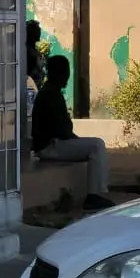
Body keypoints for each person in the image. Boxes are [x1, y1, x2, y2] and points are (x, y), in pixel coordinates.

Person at [30, 55, 114, 211]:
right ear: (60, 73)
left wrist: (76, 141)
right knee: (97, 145)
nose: (67, 76)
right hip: (49, 147)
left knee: (94, 145)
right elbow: (63, 131)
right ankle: (95, 195)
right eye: (65, 72)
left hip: (50, 145)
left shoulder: (50, 92)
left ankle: (97, 194)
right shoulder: (51, 95)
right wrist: (76, 141)